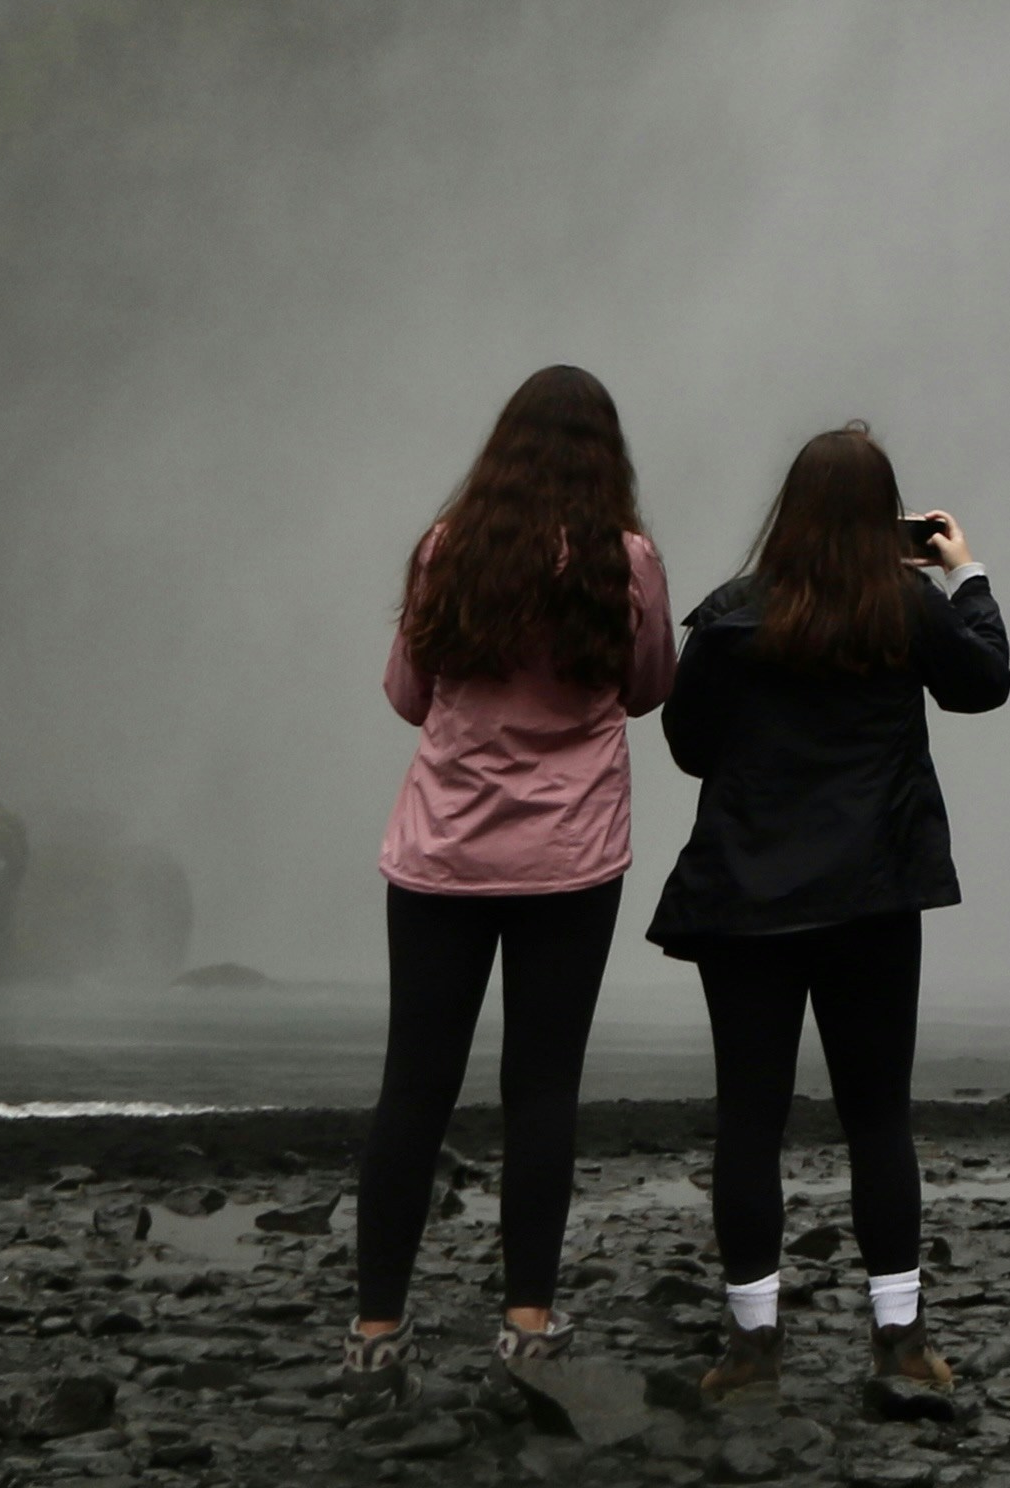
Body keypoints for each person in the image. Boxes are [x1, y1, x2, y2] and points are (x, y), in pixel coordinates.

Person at [649, 426, 1010, 1422]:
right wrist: (965, 570)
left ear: (792, 512)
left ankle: (752, 1342)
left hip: (749, 902)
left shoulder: (732, 615)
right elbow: (984, 681)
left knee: (750, 1119)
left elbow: (686, 746)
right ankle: (899, 1340)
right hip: (872, 896)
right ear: (881, 518)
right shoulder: (904, 608)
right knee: (877, 1116)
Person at [354, 364, 672, 1398]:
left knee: (415, 1085)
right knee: (542, 1089)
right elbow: (650, 686)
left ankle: (375, 1328)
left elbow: (408, 694)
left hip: (442, 855)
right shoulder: (626, 560)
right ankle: (527, 1322)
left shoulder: (449, 549)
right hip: (570, 862)